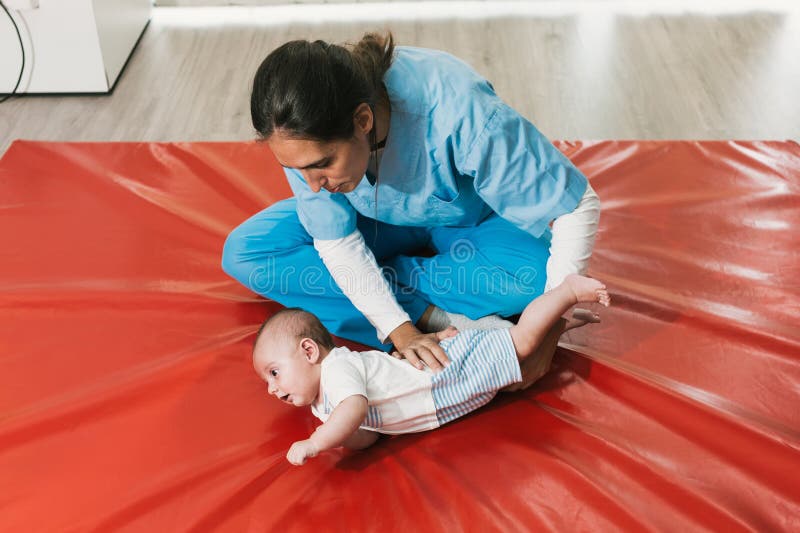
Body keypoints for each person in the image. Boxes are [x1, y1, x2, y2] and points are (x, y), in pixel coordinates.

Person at [223, 32, 601, 390]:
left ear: (363, 121)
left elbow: (576, 204)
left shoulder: (461, 108)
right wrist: (398, 329)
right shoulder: (306, 147)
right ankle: (431, 314)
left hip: (470, 220)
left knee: (533, 279)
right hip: (372, 220)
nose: (311, 184)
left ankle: (378, 286)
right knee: (247, 254)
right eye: (295, 168)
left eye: (322, 163)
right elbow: (335, 240)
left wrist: (546, 333)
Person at [252, 274, 610, 466]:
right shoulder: (323, 404)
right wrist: (343, 437)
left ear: (310, 350)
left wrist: (318, 441)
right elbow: (367, 434)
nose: (271, 389)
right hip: (447, 394)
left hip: (443, 373)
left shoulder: (337, 370)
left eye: (274, 372)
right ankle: (562, 324)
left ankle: (566, 292)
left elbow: (356, 409)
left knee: (521, 344)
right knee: (514, 364)